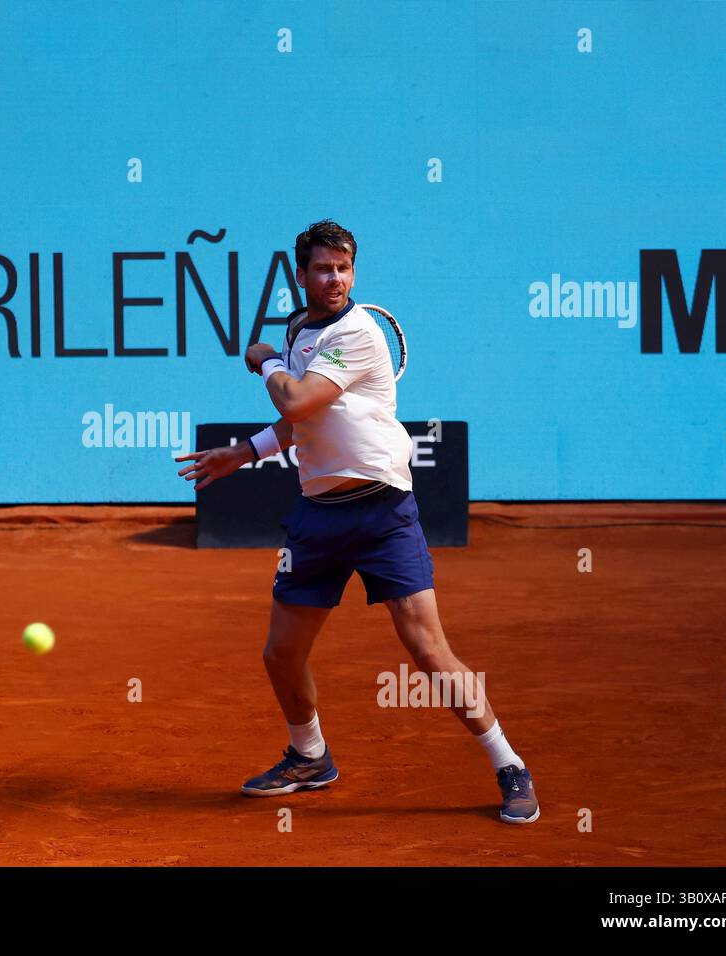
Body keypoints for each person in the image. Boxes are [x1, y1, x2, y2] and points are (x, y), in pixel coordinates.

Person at [174, 219, 539, 824]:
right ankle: (309, 755)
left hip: (381, 511)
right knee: (281, 653)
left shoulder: (360, 332)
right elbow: (300, 424)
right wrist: (244, 452)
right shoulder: (300, 331)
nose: (336, 278)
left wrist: (263, 360)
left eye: (344, 268)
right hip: (318, 514)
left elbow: (294, 398)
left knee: (426, 648)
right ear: (302, 276)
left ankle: (509, 764)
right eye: (323, 269)